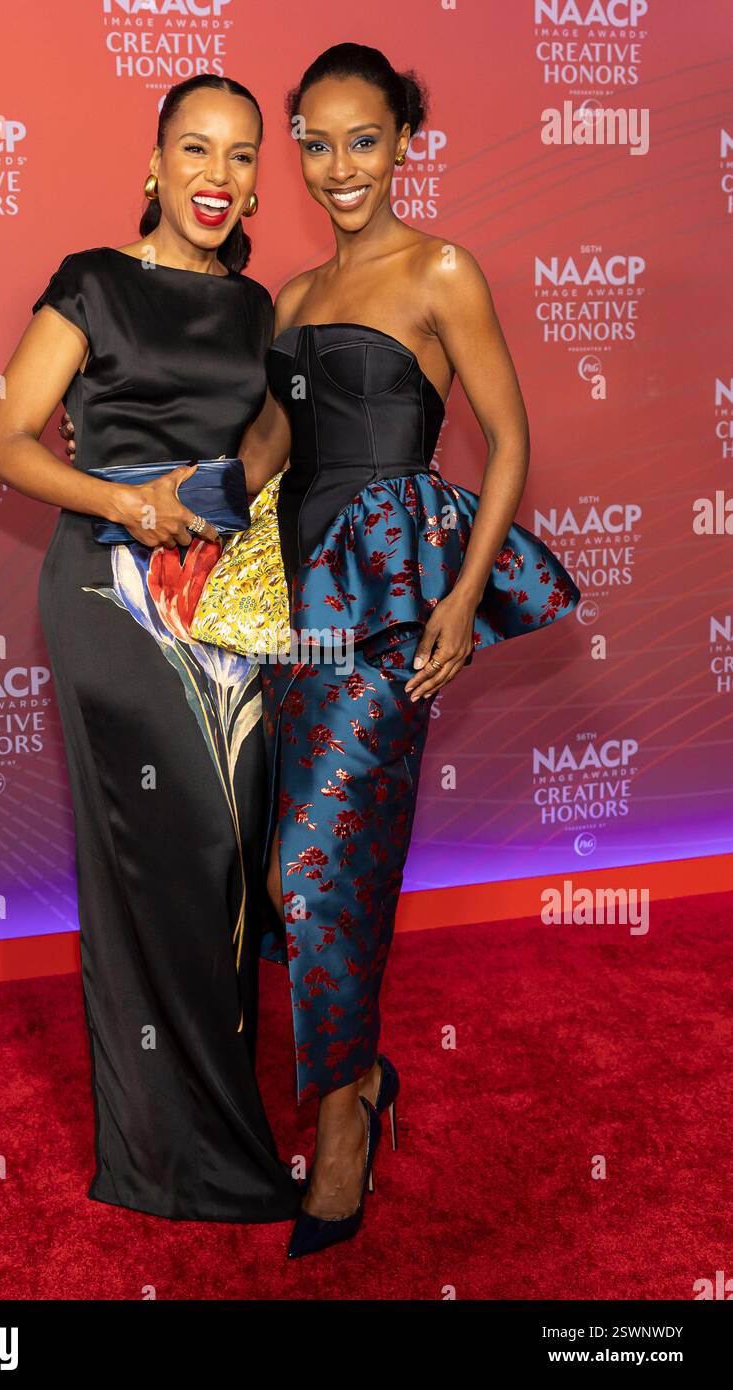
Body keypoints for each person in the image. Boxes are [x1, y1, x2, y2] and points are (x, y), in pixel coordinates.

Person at [238, 43, 582, 1256]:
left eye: (362, 141)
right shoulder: (284, 300)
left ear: (401, 140)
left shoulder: (441, 270)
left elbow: (507, 437)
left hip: (388, 608)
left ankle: (340, 1128)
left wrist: (462, 596)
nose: (339, 168)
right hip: (294, 606)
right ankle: (363, 1080)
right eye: (316, 144)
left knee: (325, 870)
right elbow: (273, 450)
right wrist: (162, 497)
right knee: (283, 879)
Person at [0, 75, 299, 1223]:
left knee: (225, 845)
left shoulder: (259, 306)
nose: (219, 176)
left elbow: (268, 427)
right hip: (108, 587)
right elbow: (4, 442)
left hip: (223, 595)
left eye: (241, 155)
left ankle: (219, 1117)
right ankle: (168, 1153)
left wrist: (238, 484)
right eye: (195, 151)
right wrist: (130, 507)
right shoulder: (94, 281)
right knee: (163, 846)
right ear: (155, 163)